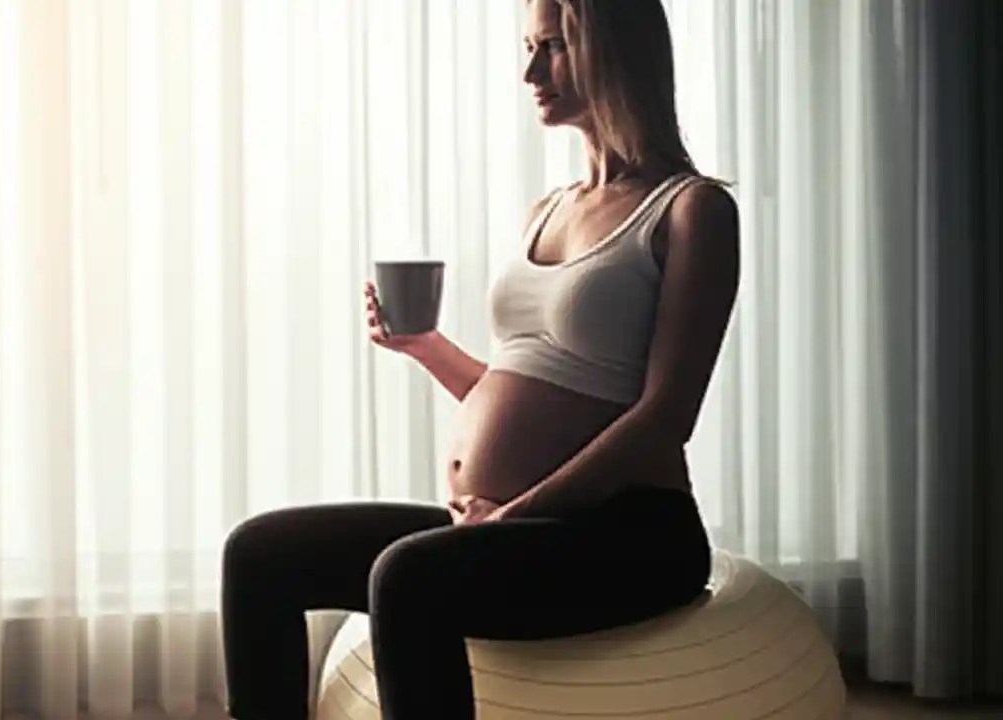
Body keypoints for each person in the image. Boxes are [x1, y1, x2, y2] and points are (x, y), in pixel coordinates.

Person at [221, 0, 739, 717]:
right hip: (508, 524)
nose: (530, 70)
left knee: (407, 576)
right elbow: (526, 385)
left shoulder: (692, 210)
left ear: (614, 50)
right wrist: (427, 349)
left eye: (552, 47)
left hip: (630, 533)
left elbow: (664, 418)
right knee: (261, 553)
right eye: (528, 47)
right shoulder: (548, 209)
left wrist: (518, 514)